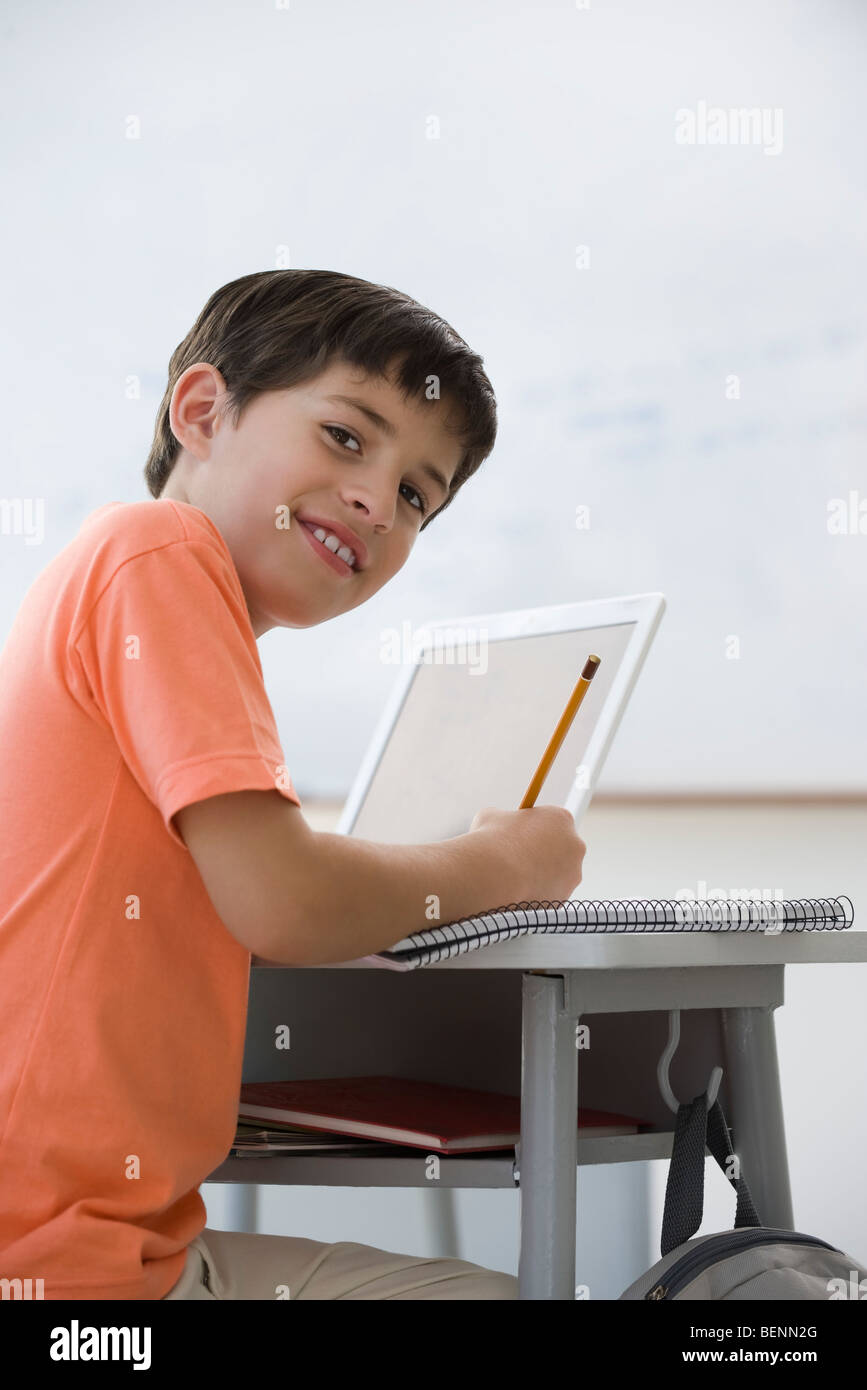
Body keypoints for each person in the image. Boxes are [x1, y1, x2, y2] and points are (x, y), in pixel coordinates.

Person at [0, 269, 586, 1300]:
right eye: (347, 437)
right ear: (203, 411)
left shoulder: (134, 586)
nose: (375, 500)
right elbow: (284, 901)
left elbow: (267, 891)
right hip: (62, 1269)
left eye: (416, 495)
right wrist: (503, 861)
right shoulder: (155, 552)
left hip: (105, 1243)